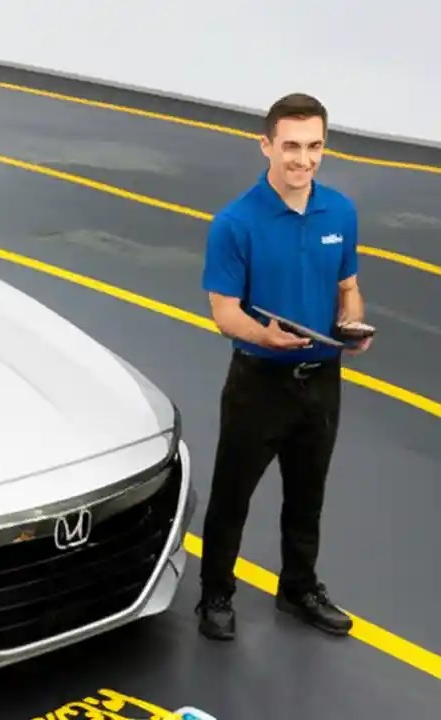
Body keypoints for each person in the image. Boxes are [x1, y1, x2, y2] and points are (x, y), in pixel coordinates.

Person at [196, 92, 372, 641]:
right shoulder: (235, 222)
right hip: (259, 381)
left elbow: (349, 286)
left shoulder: (340, 211)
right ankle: (215, 596)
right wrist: (264, 335)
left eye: (314, 146)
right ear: (266, 145)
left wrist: (351, 323)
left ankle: (298, 588)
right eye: (291, 146)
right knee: (233, 495)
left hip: (321, 381)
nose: (303, 159)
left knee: (307, 493)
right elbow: (224, 312)